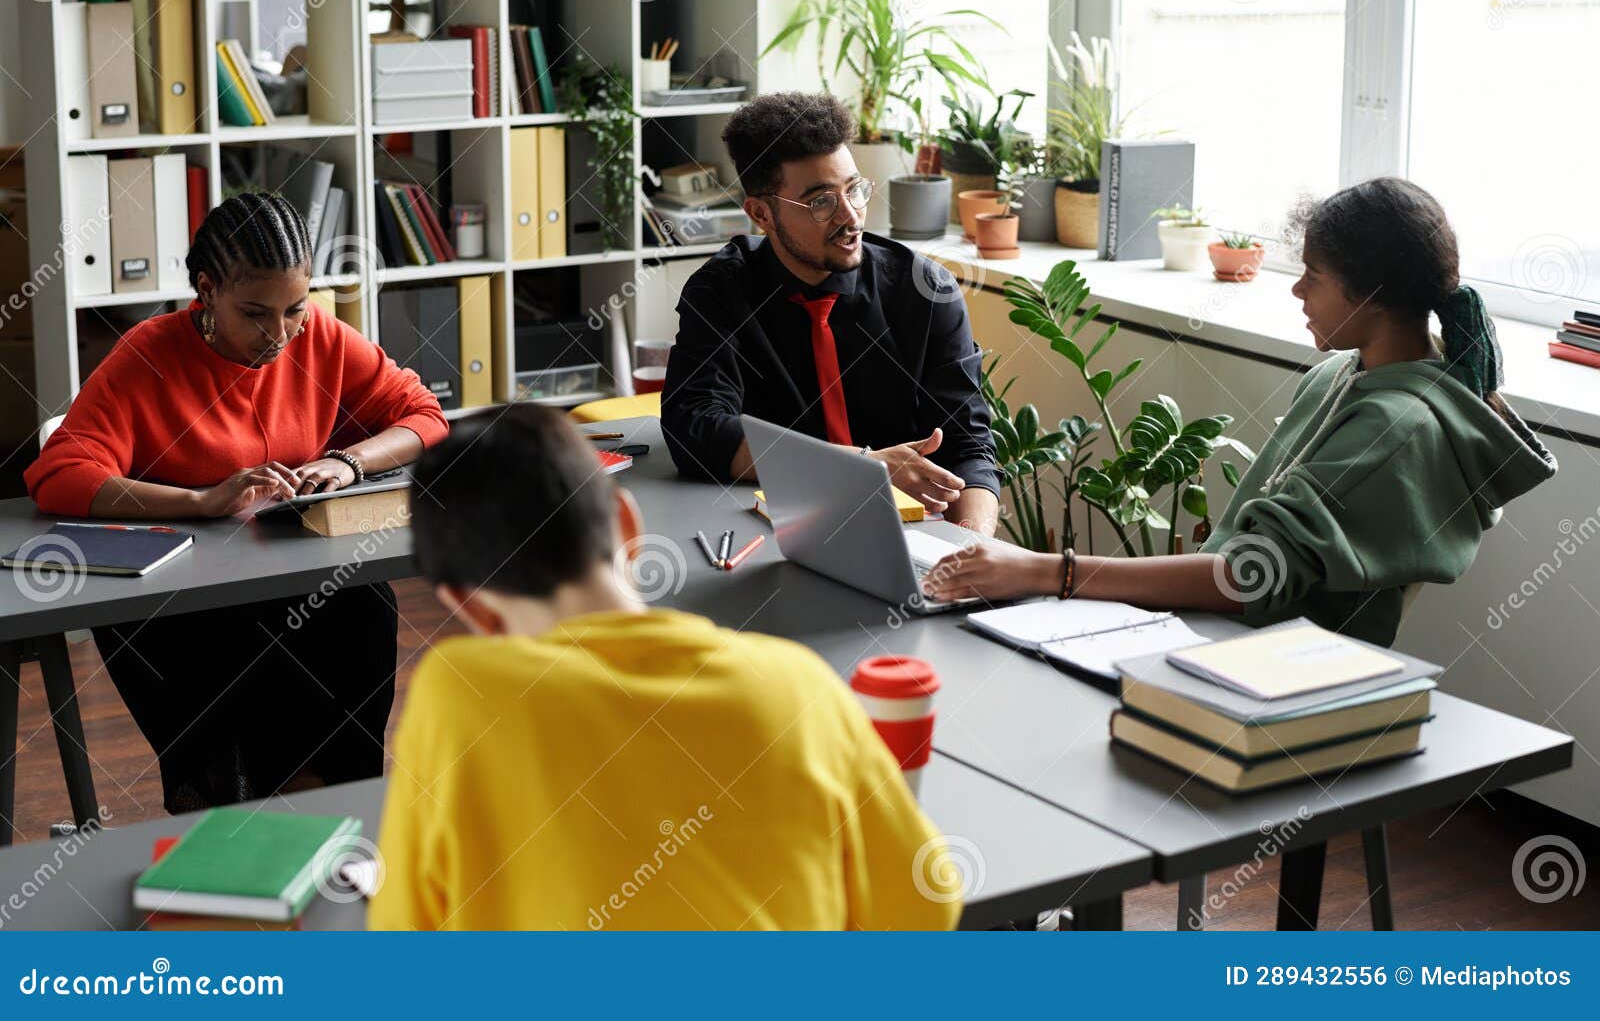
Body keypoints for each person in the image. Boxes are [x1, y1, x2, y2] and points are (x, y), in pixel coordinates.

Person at [369, 405, 959, 931]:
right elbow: (924, 905)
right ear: (629, 526)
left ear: (465, 604)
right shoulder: (800, 684)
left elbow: (403, 928)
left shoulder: (459, 699)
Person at [922, 177, 1558, 648]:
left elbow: (1248, 578)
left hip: (1273, 666)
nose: (1297, 289)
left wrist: (1046, 571)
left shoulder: (1396, 427)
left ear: (1371, 293)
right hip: (1218, 635)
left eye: (1313, 276)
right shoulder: (1341, 373)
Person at [25, 192, 448, 812]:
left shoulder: (319, 337)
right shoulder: (147, 355)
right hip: (180, 598)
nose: (279, 335)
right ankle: (234, 807)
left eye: (294, 309)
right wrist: (198, 500)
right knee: (228, 649)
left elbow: (424, 415)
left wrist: (347, 461)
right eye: (254, 313)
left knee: (363, 606)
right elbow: (59, 474)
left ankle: (332, 803)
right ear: (207, 290)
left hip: (288, 577)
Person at [661, 91, 1000, 535]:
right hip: (774, 528)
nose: (851, 216)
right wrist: (863, 464)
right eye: (821, 201)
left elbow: (969, 448)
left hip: (911, 532)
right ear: (762, 214)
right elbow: (695, 429)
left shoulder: (925, 291)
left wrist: (970, 549)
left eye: (854, 190)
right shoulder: (722, 290)